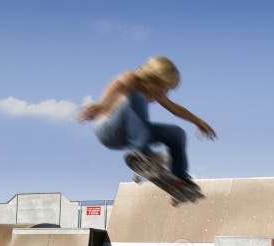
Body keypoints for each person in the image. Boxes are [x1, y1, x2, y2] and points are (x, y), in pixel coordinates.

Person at [78, 56, 216, 187]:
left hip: (133, 133)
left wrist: (198, 121)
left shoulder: (156, 92)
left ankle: (180, 177)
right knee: (137, 98)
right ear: (153, 79)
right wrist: (102, 106)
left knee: (177, 134)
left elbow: (174, 108)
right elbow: (112, 95)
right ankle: (142, 155)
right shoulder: (130, 78)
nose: (166, 92)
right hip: (108, 130)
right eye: (165, 87)